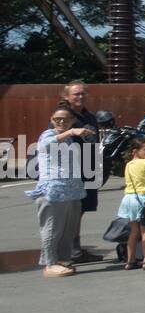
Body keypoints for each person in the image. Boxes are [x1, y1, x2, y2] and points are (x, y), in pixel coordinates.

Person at [26, 108, 89, 278]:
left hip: (71, 191)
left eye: (65, 119)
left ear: (73, 119)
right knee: (52, 229)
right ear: (51, 120)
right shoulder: (48, 134)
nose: (61, 122)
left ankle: (62, 259)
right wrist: (71, 131)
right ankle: (50, 263)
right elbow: (47, 145)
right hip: (52, 191)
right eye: (57, 119)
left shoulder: (69, 139)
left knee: (68, 230)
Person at [61, 80, 105, 263]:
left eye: (82, 94)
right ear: (66, 96)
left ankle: (76, 250)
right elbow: (53, 139)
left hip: (89, 165)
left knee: (81, 208)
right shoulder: (63, 116)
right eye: (76, 94)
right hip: (72, 168)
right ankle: (66, 251)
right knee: (70, 210)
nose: (80, 97)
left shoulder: (89, 116)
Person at [118, 138, 145, 270]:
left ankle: (130, 261)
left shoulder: (129, 164)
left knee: (133, 232)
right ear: (135, 151)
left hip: (129, 198)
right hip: (144, 198)